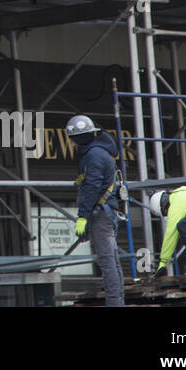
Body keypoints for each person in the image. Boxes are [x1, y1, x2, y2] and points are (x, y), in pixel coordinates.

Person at [66, 115, 125, 307]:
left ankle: (114, 303)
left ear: (80, 138)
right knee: (112, 260)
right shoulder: (98, 153)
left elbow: (92, 186)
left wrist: (82, 216)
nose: (72, 144)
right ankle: (117, 301)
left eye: (73, 139)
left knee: (107, 261)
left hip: (101, 214)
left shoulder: (94, 155)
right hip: (106, 212)